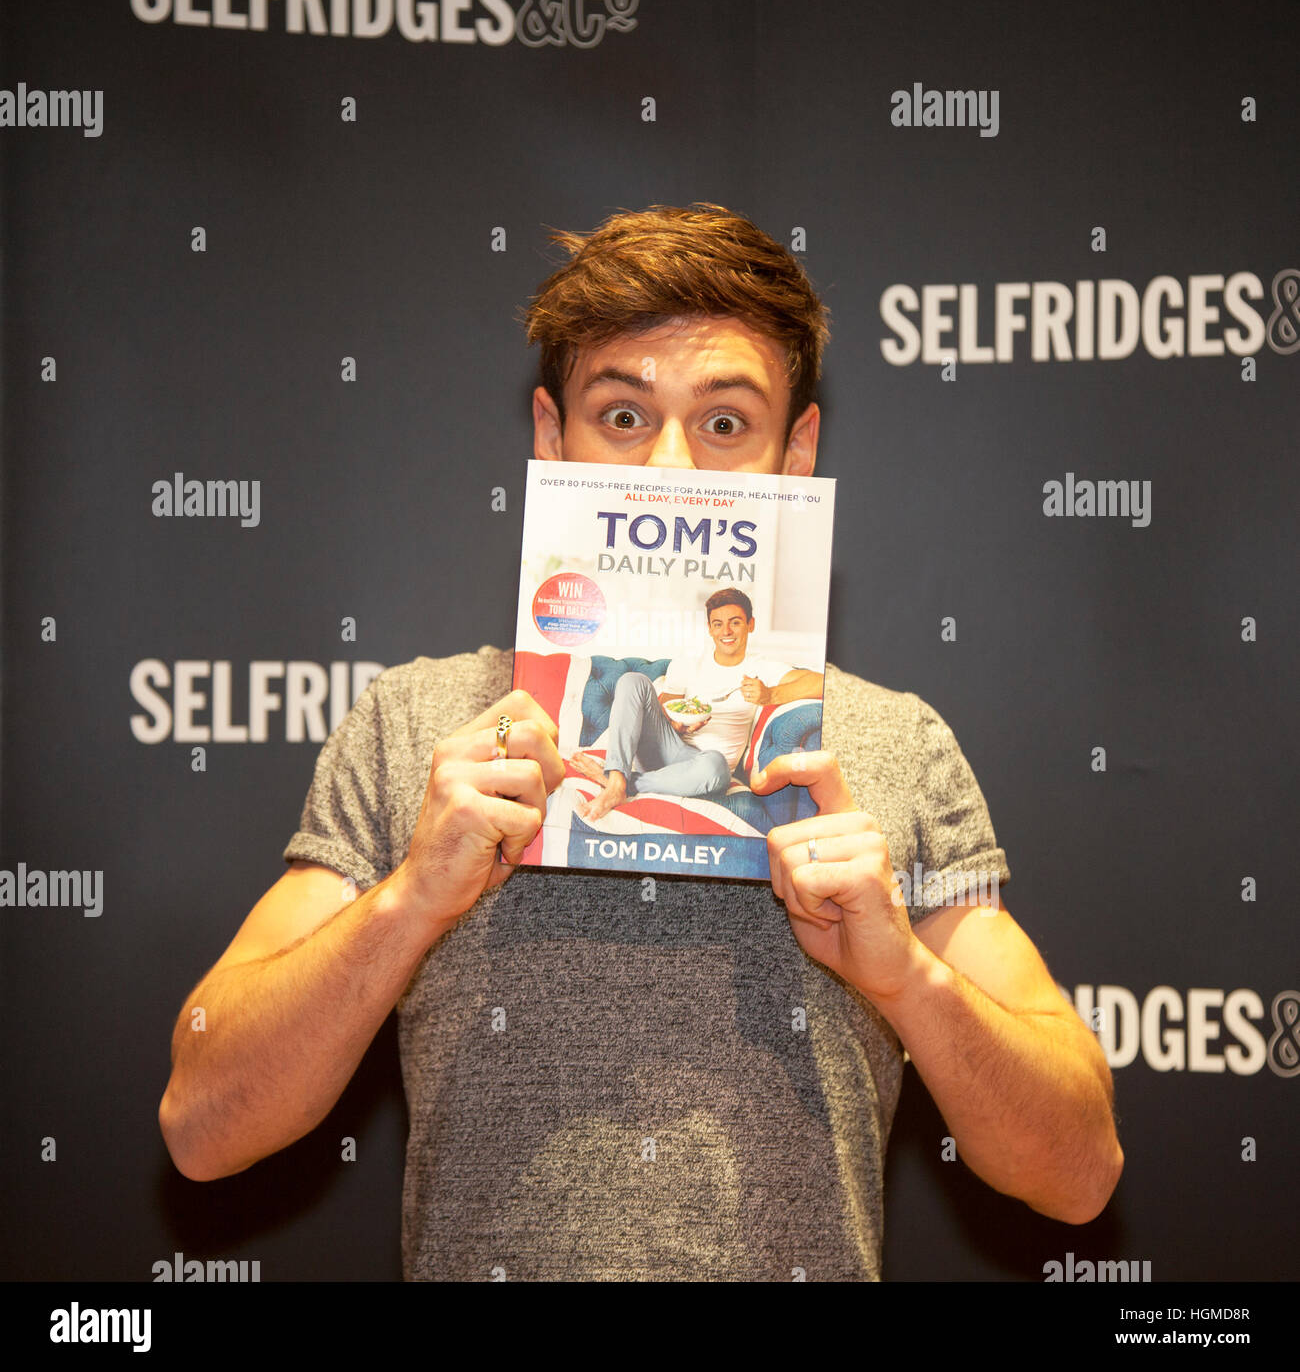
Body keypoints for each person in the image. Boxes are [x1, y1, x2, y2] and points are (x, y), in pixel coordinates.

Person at [158, 204, 1123, 1280]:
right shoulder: (418, 727)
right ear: (547, 437)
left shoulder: (894, 745)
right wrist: (412, 900)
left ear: (795, 452)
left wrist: (903, 976)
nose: (670, 466)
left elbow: (1079, 1168)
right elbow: (202, 1125)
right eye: (622, 416)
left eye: (723, 423)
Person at [571, 586, 824, 820]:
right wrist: (676, 724)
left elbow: (820, 682)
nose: (726, 632)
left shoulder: (761, 668)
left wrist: (770, 695)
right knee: (632, 680)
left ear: (750, 624)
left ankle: (625, 784)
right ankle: (616, 780)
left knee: (715, 764)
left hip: (706, 768)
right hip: (669, 748)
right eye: (718, 624)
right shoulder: (688, 664)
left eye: (735, 623)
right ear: (710, 628)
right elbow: (664, 712)